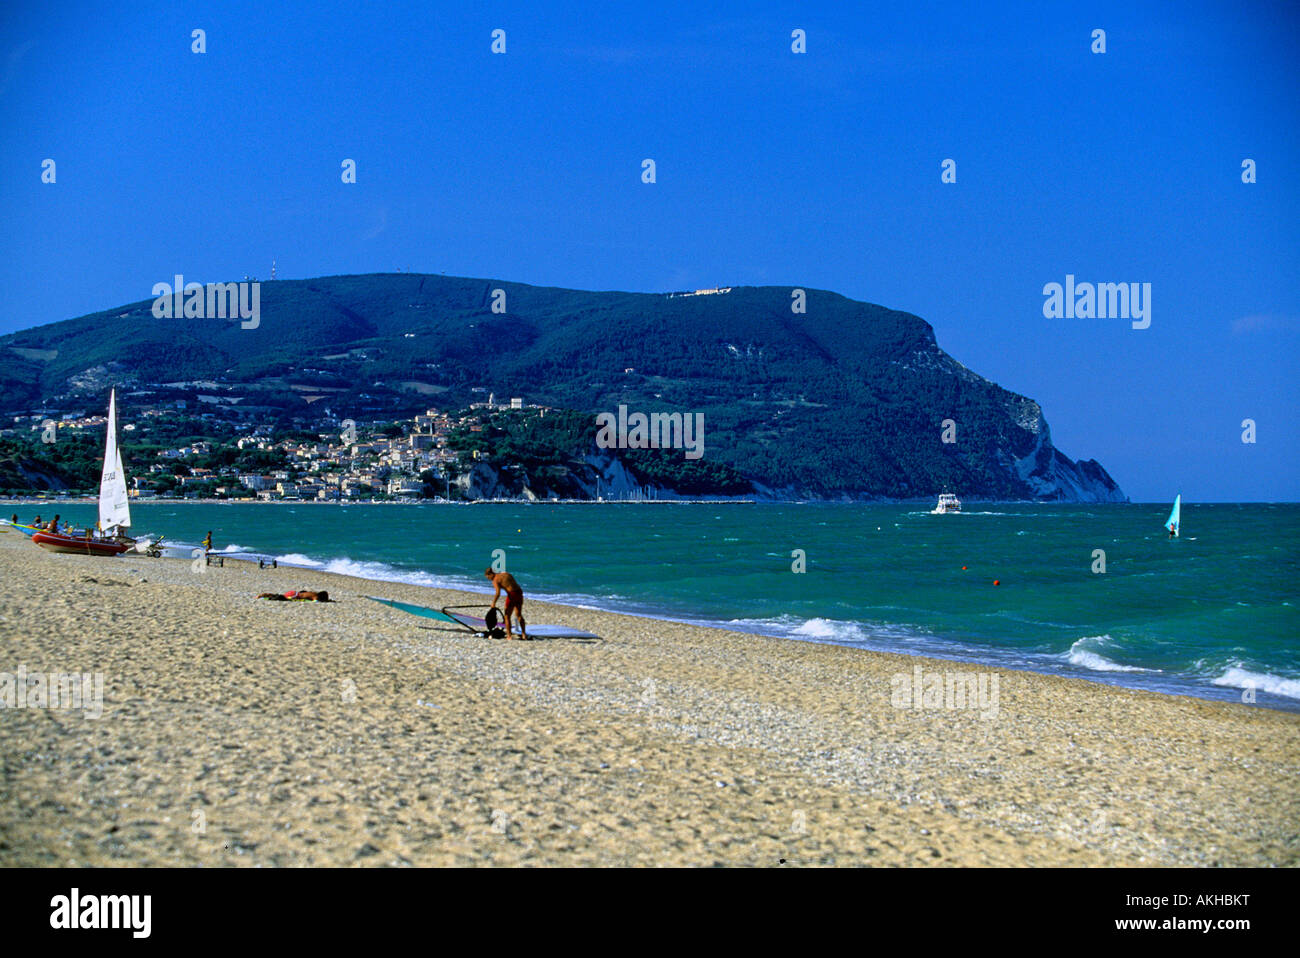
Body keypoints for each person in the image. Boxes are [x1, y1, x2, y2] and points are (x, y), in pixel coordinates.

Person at [484, 568, 528, 640]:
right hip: (519, 592)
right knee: (519, 615)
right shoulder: (506, 574)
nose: (489, 579)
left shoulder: (495, 580)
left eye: (488, 577)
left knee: (507, 616)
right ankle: (524, 634)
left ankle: (509, 636)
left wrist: (493, 603)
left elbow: (498, 593)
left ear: (490, 574)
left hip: (512, 595)